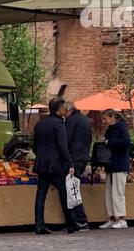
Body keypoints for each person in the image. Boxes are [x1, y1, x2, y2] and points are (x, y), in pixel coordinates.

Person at [32, 97, 79, 235]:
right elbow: (62, 146)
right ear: (60, 109)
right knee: (64, 194)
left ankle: (39, 224)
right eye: (64, 108)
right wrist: (69, 163)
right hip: (56, 164)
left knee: (41, 195)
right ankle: (71, 224)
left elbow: (35, 145)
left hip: (41, 163)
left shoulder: (40, 123)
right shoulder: (59, 124)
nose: (65, 110)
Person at [99, 108, 132, 228]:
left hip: (119, 164)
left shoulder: (122, 127)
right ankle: (112, 218)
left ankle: (122, 219)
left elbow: (126, 142)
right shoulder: (111, 128)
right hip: (111, 164)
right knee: (109, 192)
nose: (104, 121)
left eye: (105, 118)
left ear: (112, 117)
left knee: (118, 192)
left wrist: (108, 142)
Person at [64, 101, 93, 229]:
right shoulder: (85, 120)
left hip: (74, 158)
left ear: (67, 110)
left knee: (73, 190)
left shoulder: (71, 120)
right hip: (83, 157)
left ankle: (81, 220)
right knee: (74, 188)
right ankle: (77, 220)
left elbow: (67, 139)